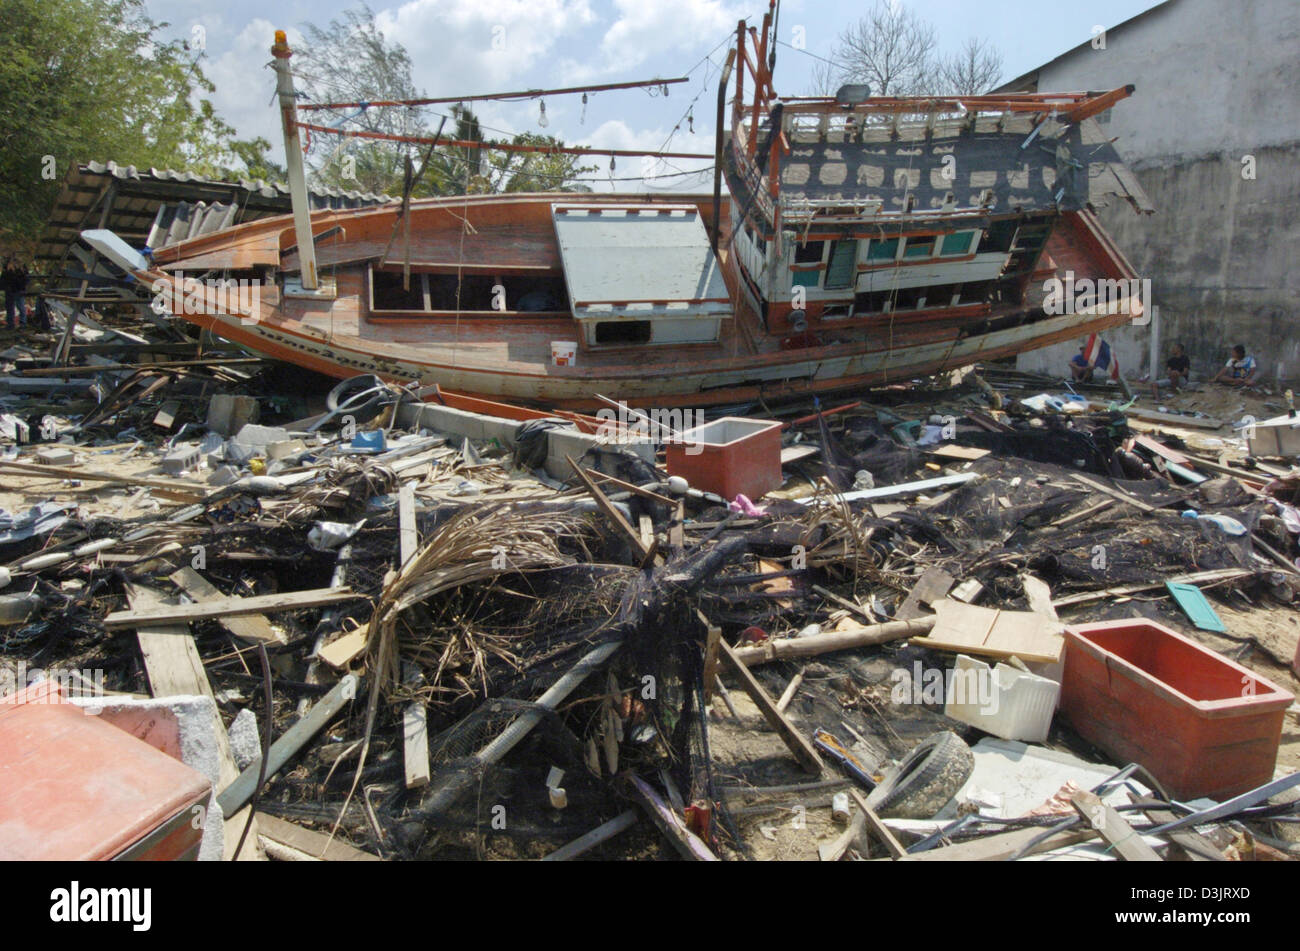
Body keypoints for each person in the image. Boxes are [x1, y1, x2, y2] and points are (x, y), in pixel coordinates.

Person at [2, 256, 28, 330]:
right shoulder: (7, 269)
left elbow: (24, 279)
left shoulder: (21, 269)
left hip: (18, 290)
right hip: (10, 290)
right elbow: (4, 279)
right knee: (10, 308)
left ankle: (23, 323)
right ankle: (10, 324)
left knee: (20, 306)